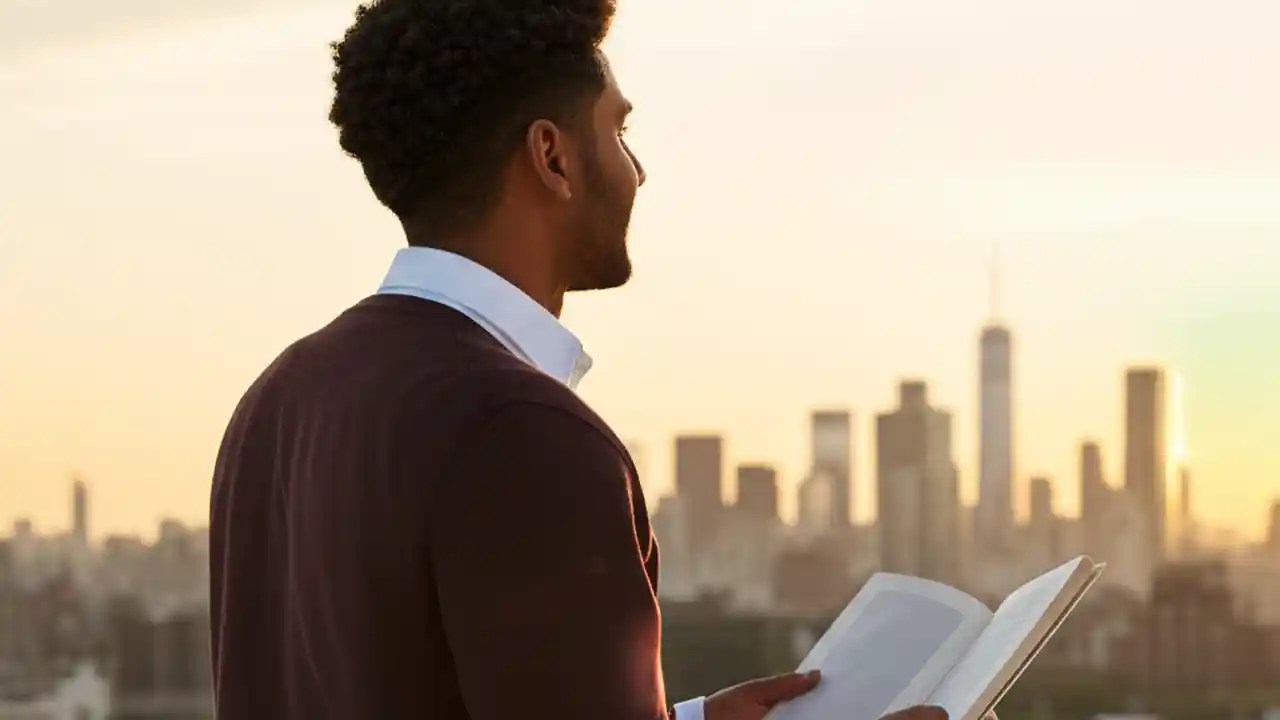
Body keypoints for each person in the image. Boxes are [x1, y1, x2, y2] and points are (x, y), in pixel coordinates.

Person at [209, 1, 954, 718]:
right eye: (619, 131)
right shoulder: (526, 432)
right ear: (552, 157)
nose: (637, 170)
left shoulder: (278, 400)